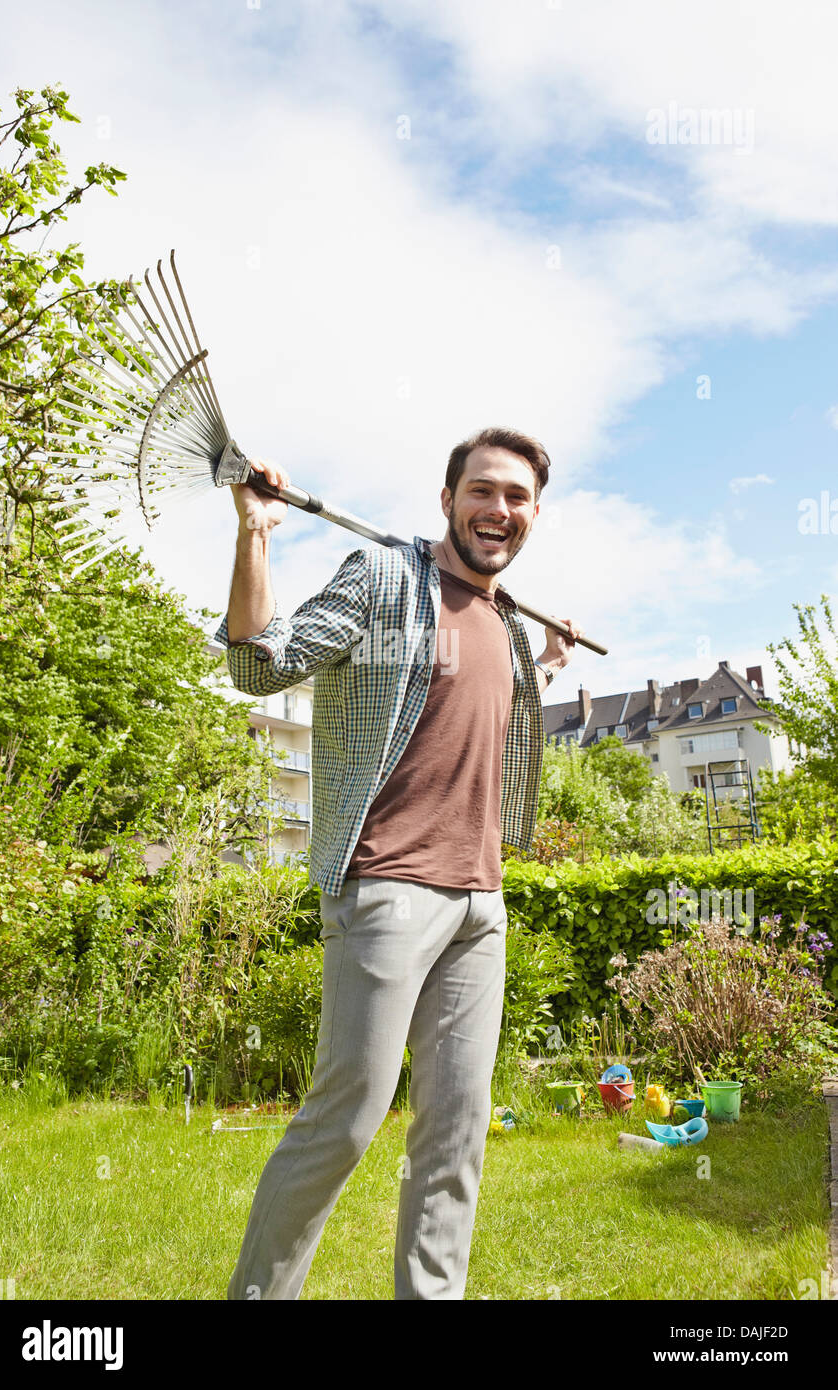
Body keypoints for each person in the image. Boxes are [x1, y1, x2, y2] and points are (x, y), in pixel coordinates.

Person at [215, 425, 583, 1300]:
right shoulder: (385, 579)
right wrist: (256, 533)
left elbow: (482, 714)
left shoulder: (508, 623)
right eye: (483, 490)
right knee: (346, 1120)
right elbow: (258, 666)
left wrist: (552, 661)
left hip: (479, 905)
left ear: (533, 514)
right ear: (448, 498)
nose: (499, 509)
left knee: (456, 1135)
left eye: (517, 497)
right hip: (388, 889)